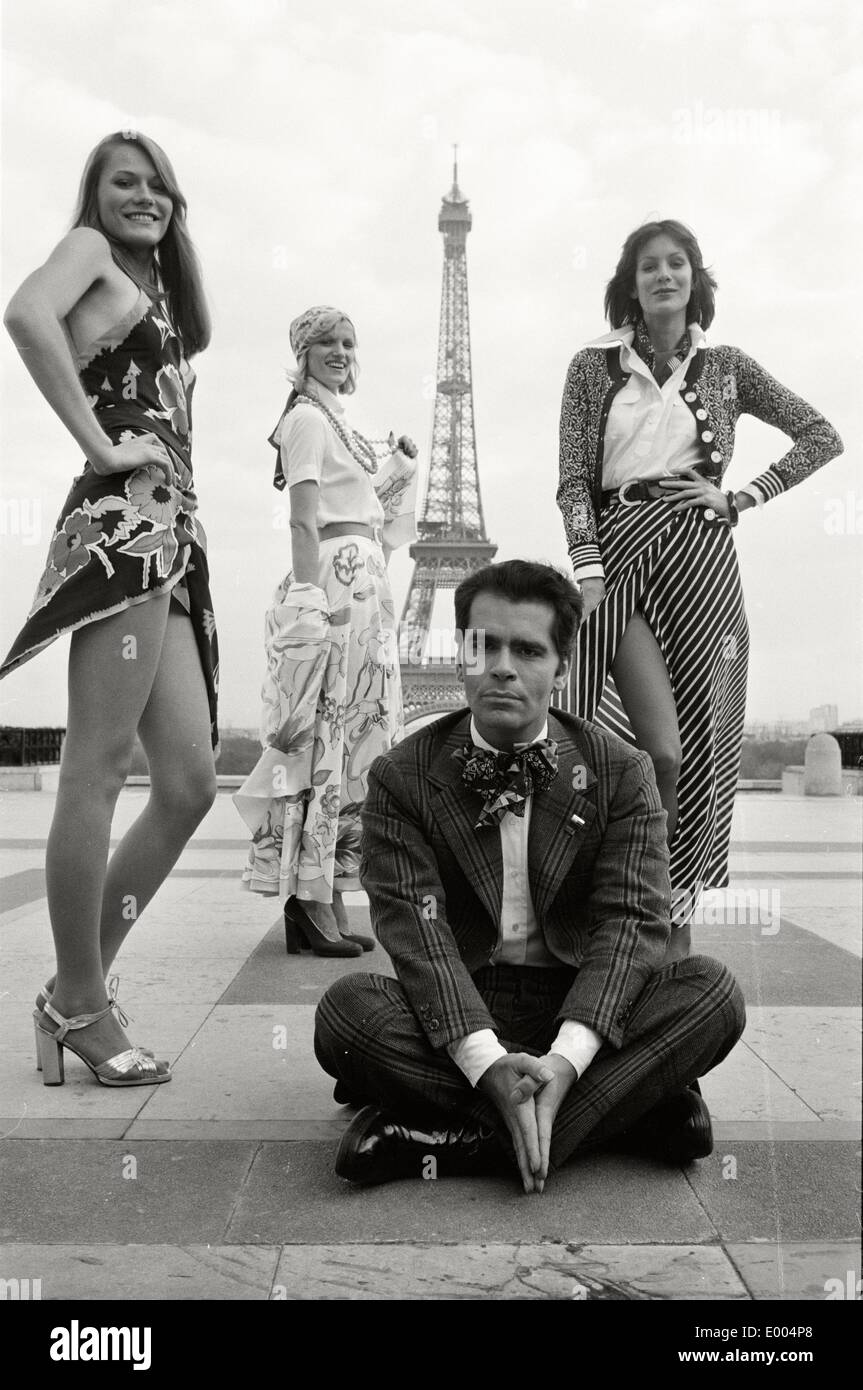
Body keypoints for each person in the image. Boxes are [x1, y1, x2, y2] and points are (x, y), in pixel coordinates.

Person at [314, 560, 745, 1191]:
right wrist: (487, 1063)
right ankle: (623, 1113)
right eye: (483, 645)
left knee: (712, 992)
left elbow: (629, 924)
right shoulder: (401, 775)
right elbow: (416, 931)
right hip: (464, 999)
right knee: (346, 1012)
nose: (502, 666)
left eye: (527, 649)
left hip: (583, 1000)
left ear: (561, 668)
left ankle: (453, 1140)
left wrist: (568, 1061)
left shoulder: (621, 770)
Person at [556, 219, 843, 958]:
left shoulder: (727, 365)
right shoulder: (591, 367)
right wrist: (586, 572)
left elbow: (819, 433)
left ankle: (668, 930)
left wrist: (740, 498)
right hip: (618, 559)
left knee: (699, 750)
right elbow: (572, 482)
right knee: (648, 750)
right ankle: (598, 907)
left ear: (694, 278)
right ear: (629, 281)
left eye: (675, 263)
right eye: (648, 265)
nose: (663, 276)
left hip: (702, 563)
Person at [1, 131, 218, 1086]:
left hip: (171, 537)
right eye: (122, 182)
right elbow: (23, 313)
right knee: (95, 770)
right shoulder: (86, 252)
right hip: (124, 528)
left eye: (158, 184)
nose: (145, 196)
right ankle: (82, 1002)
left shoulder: (158, 291)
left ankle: (73, 989)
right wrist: (100, 443)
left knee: (189, 783)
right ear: (92, 196)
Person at [235, 306, 417, 957]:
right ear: (302, 353)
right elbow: (302, 521)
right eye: (326, 343)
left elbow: (374, 513)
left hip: (364, 582)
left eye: (348, 341)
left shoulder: (341, 422)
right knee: (325, 740)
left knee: (353, 742)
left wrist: (396, 467)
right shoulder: (308, 419)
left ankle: (326, 896)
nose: (340, 351)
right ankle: (309, 903)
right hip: (337, 584)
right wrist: (309, 603)